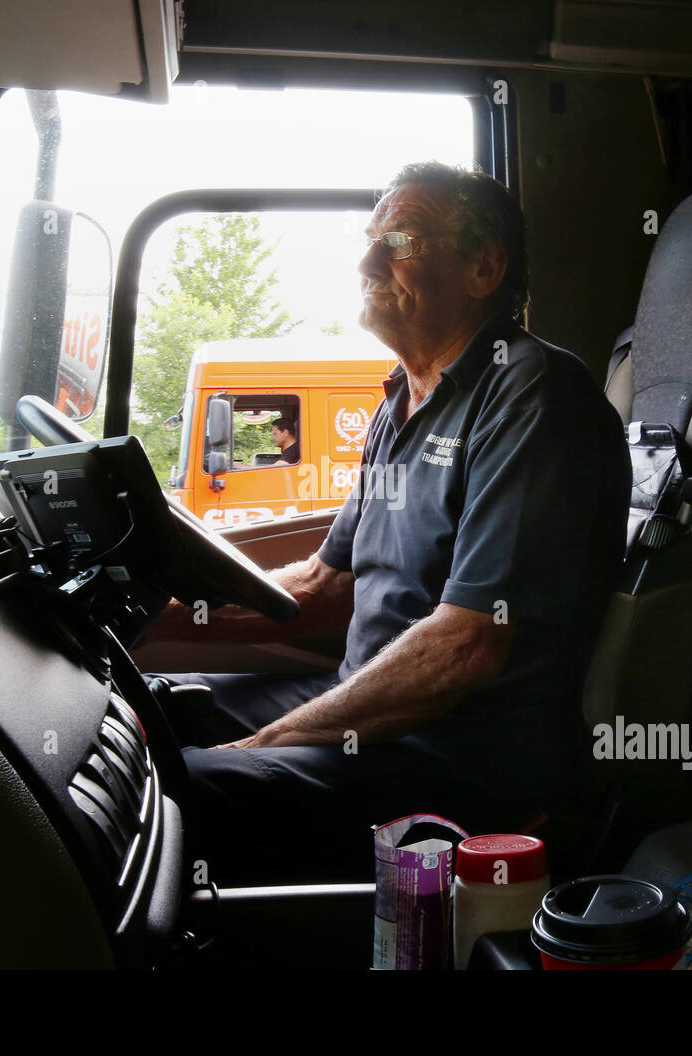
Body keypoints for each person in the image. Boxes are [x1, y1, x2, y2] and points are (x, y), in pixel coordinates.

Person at [147, 161, 631, 881]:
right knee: (140, 714)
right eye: (372, 238)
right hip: (371, 705)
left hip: (455, 758)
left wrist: (269, 744)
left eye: (400, 239)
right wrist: (151, 616)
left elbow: (469, 645)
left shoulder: (534, 394)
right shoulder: (397, 404)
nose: (368, 259)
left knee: (173, 793)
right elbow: (322, 588)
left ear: (483, 269)